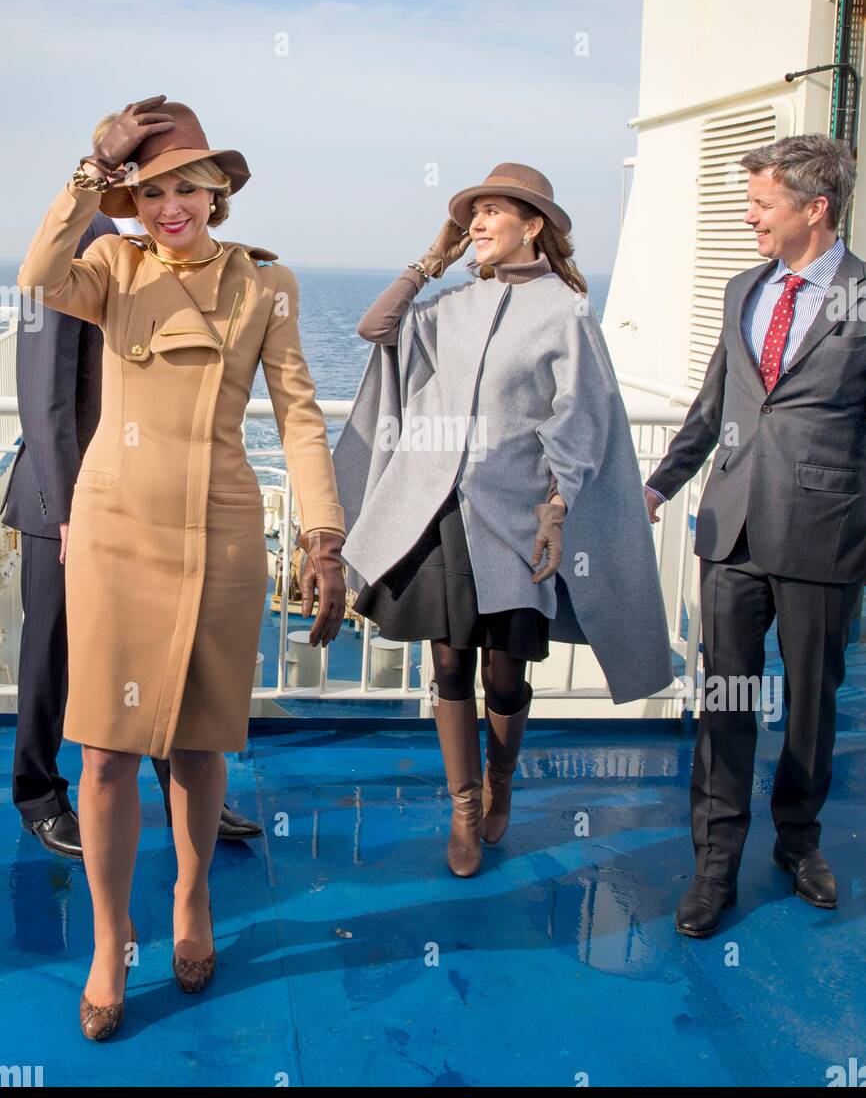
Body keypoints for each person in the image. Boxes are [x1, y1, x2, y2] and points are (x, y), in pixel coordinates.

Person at [17, 96, 347, 1038]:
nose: (170, 204)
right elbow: (39, 274)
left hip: (223, 528)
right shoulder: (110, 266)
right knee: (109, 749)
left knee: (202, 741)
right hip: (116, 526)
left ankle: (193, 898)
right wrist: (91, 173)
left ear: (218, 191)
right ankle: (110, 939)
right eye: (151, 188)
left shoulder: (265, 285)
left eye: (186, 186)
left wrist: (323, 535)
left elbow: (300, 415)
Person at [333, 163, 673, 877]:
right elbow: (374, 328)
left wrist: (555, 510)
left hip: (518, 520)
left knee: (506, 675)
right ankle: (461, 807)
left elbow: (577, 421)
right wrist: (431, 260)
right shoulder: (449, 305)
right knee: (449, 663)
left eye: (493, 214)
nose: (478, 226)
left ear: (533, 226)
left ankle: (502, 778)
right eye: (472, 215)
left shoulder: (566, 312)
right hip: (436, 513)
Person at [644, 134, 861, 938]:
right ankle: (714, 865)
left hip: (825, 536)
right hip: (729, 530)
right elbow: (716, 403)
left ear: (815, 208)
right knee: (726, 701)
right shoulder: (743, 288)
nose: (750, 218)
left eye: (763, 205)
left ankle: (799, 843)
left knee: (811, 704)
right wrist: (658, 483)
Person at [5, 202, 262, 859]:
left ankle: (185, 788)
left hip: (144, 501)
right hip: (65, 498)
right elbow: (45, 387)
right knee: (55, 649)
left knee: (163, 644)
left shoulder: (168, 254)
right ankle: (40, 795)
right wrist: (66, 504)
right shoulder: (87, 238)